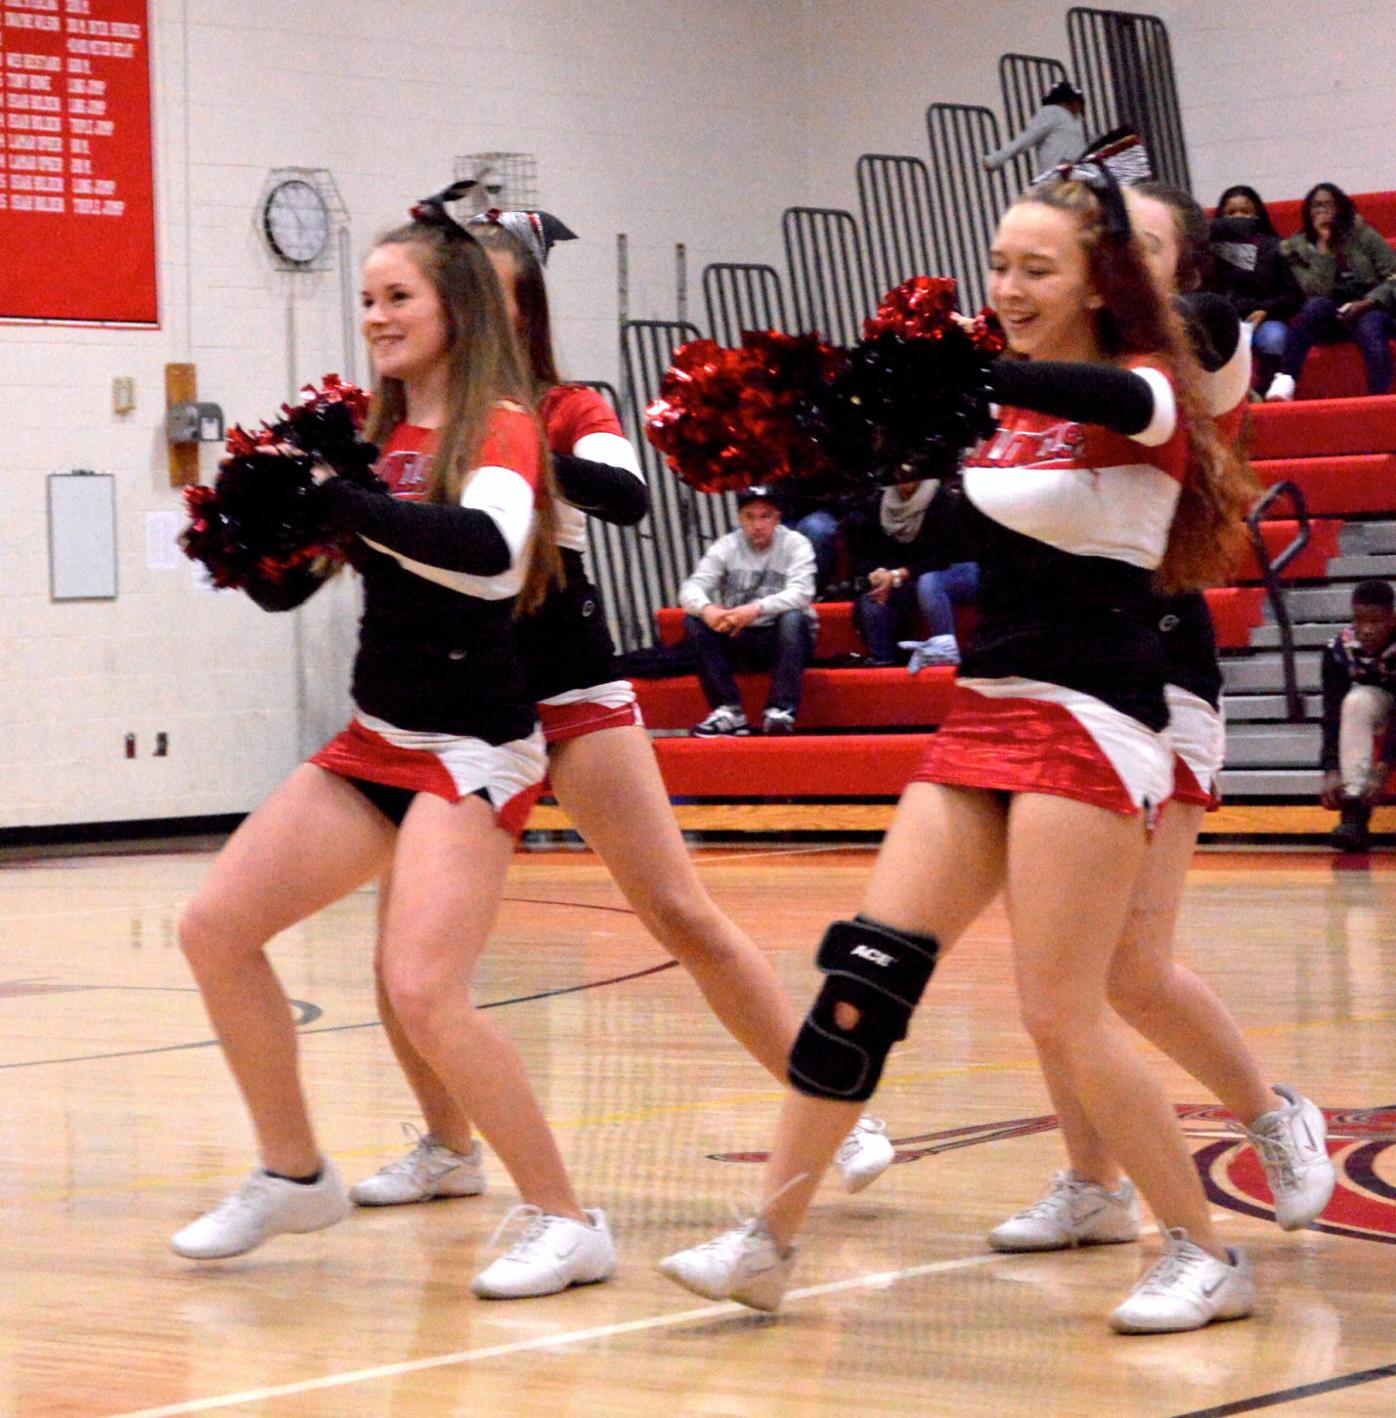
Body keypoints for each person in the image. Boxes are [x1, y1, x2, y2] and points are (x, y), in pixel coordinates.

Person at [660, 165, 1263, 1334]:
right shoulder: (1005, 412)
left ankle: (1202, 1245)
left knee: (1061, 1007)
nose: (1009, 286)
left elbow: (1102, 396)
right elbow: (932, 512)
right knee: (865, 973)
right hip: (987, 705)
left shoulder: (1145, 388)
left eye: (1038, 268)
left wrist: (966, 372)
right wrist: (829, 422)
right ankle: (767, 1234)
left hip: (1095, 711)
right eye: (998, 265)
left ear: (1101, 279)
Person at [348, 209, 895, 1212]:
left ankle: (838, 1106)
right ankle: (446, 1142)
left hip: (565, 685)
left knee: (678, 908)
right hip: (461, 708)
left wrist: (504, 456)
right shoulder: (406, 415)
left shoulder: (559, 404)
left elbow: (626, 496)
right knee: (403, 948)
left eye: (494, 290)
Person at [169, 196, 620, 1298]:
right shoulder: (374, 438)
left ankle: (567, 1216)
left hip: (475, 745)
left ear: (454, 306)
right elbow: (297, 591)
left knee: (424, 988)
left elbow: (489, 558)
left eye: (397, 296)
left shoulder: (501, 420)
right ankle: (293, 1170)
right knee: (216, 926)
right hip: (379, 736)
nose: (375, 315)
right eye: (366, 299)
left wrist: (346, 502)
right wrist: (255, 528)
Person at [983, 182, 1334, 1261]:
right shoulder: (1044, 381)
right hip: (1049, 673)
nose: (1112, 256)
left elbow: (1199, 342)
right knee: (1055, 968)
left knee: (1126, 966)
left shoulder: (1184, 351)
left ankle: (1271, 1112)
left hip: (1158, 677)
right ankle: (1092, 1181)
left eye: (1136, 244)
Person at [679, 486, 817, 736]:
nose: (757, 525)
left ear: (777, 518)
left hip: (784, 640)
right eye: (750, 517)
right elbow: (691, 588)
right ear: (740, 519)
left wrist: (755, 609)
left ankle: (781, 711)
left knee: (793, 618)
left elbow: (802, 593)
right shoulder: (726, 545)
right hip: (741, 636)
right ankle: (729, 711)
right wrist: (708, 609)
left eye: (765, 516)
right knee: (694, 621)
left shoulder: (796, 544)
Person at [1268, 183, 1396, 400]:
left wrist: (1370, 301)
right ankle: (1286, 379)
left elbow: (1394, 275)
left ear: (1341, 208)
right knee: (1313, 307)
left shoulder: (1363, 235)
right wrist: (1323, 247)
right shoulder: (1297, 247)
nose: (1324, 211)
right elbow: (1314, 290)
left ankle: (1379, 400)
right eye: (1317, 206)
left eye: (1329, 205)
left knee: (1370, 324)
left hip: (1372, 306)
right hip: (1331, 314)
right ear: (1309, 213)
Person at [855, 481, 977, 668]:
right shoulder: (879, 502)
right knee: (873, 597)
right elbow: (869, 553)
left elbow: (943, 557)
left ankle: (945, 651)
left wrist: (898, 575)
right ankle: (884, 663)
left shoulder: (943, 499)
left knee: (929, 583)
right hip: (909, 576)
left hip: (956, 571)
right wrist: (878, 572)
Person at [1319, 579, 1396, 852]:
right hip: (1382, 707)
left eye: (1375, 621)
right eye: (1359, 620)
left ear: (1392, 618)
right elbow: (1331, 713)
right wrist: (1330, 768)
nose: (1366, 630)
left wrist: (1384, 766)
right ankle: (1354, 816)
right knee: (1355, 702)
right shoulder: (1340, 649)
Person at [1207, 184, 1303, 391]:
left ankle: (1271, 392)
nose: (1239, 217)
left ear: (1257, 213)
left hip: (1265, 318)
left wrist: (1266, 311)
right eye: (1231, 212)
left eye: (1245, 211)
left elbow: (1292, 296)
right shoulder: (1209, 251)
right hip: (1227, 320)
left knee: (1274, 338)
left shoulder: (1276, 246)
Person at [982, 80, 1087, 183]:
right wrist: (995, 160)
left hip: (1061, 181)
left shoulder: (1072, 121)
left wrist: (994, 160)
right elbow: (1026, 139)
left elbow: (1025, 139)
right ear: (1072, 102)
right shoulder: (1053, 113)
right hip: (1068, 182)